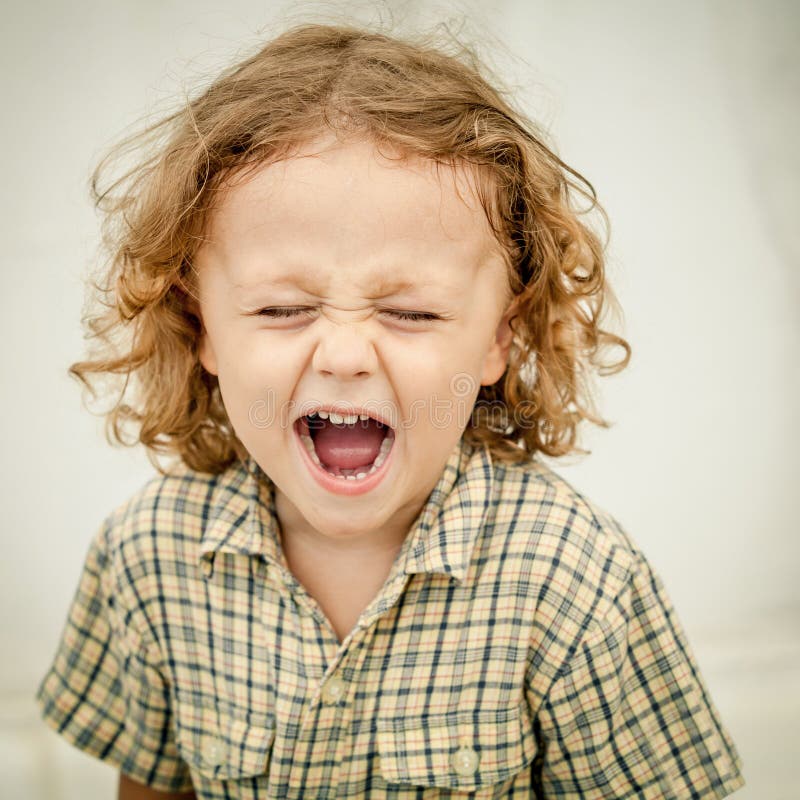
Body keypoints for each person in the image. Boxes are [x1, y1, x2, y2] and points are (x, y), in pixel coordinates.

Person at [35, 20, 746, 800]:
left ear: (497, 339)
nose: (345, 355)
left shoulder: (574, 580)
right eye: (280, 309)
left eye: (410, 313)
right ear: (201, 325)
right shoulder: (148, 558)